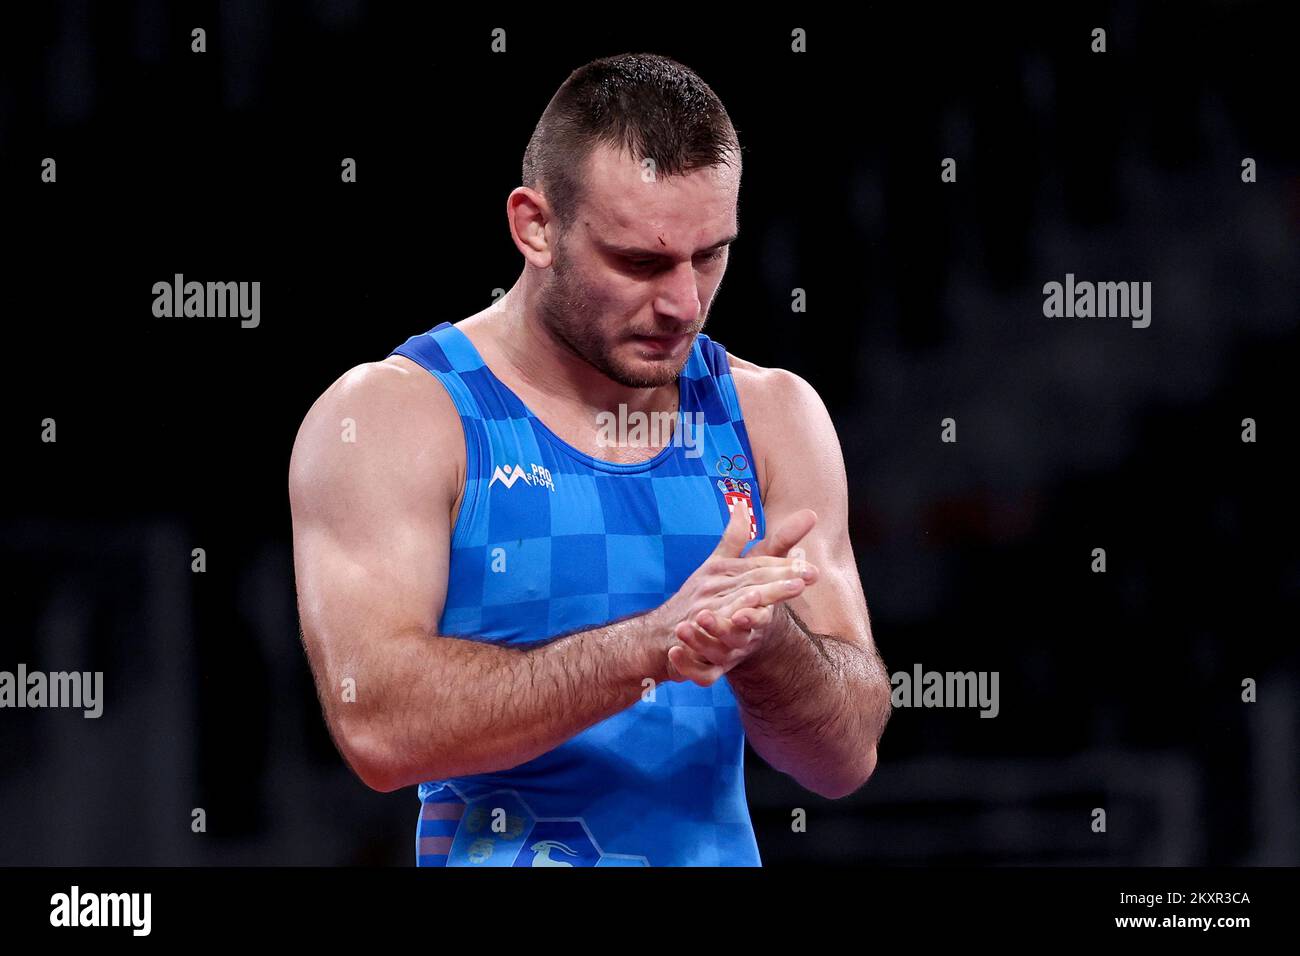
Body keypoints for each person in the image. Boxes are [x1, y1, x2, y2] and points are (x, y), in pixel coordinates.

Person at [289, 52, 891, 867]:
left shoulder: (772, 416)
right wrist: (651, 645)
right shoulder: (395, 416)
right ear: (535, 226)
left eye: (709, 255)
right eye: (641, 262)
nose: (683, 303)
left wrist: (767, 641)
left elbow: (846, 755)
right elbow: (378, 728)